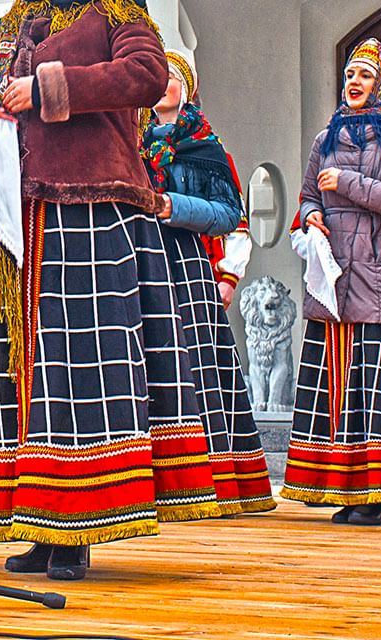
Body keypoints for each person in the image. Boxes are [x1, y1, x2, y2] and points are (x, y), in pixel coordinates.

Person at [0, 0, 219, 582]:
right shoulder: (4, 25)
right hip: (11, 214)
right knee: (18, 368)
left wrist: (49, 87)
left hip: (87, 207)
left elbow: (145, 76)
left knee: (76, 367)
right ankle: (32, 518)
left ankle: (77, 523)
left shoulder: (117, 10)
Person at [280, 39, 381, 525]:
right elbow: (308, 196)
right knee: (339, 388)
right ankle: (340, 488)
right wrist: (312, 218)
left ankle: (379, 493)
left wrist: (347, 185)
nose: (354, 83)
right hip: (335, 278)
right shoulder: (326, 138)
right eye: (350, 74)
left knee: (376, 387)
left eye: (365, 76)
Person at [143, 52, 276, 516]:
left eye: (171, 78)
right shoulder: (132, 142)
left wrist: (171, 206)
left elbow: (228, 216)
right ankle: (151, 480)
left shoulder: (207, 148)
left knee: (195, 372)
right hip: (141, 263)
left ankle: (205, 479)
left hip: (185, 263)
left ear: (188, 87)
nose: (161, 85)